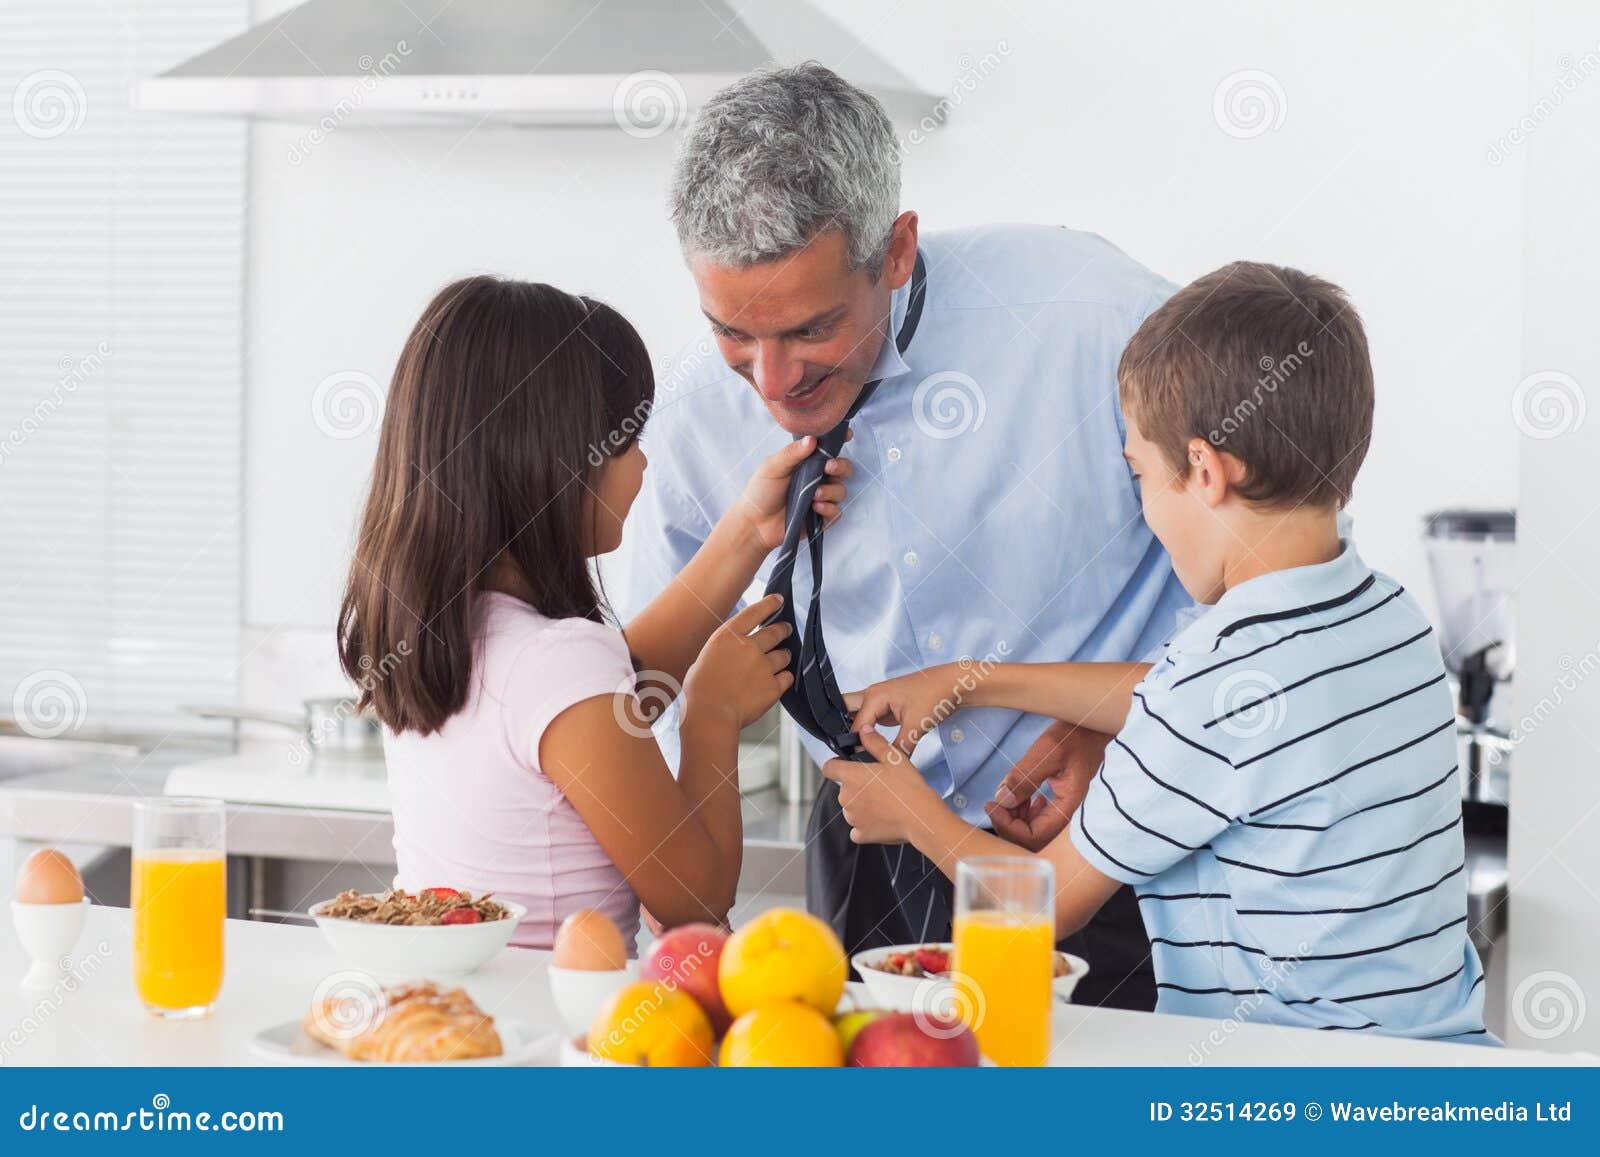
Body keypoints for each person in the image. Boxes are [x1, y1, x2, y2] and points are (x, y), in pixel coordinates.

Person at [623, 62, 1188, 1007]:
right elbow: (647, 687)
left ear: (894, 251)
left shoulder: (1094, 316)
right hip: (867, 846)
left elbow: (1263, 567)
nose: (771, 380)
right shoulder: (691, 414)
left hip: (1111, 838)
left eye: (810, 330)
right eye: (732, 333)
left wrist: (1122, 732)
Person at [829, 263, 1490, 1040]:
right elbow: (1187, 696)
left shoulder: (1213, 683)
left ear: (1205, 471)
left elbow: (1038, 901)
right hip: (1442, 1062)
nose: (1145, 506)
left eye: (1140, 473)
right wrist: (971, 682)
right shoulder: (1387, 615)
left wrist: (913, 813)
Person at [337, 275, 854, 949]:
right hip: (565, 1031)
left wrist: (748, 531)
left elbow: (596, 694)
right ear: (543, 459)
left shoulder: (445, 635)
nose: (643, 462)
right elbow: (697, 896)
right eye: (624, 440)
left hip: (461, 1018)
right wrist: (711, 710)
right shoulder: (559, 665)